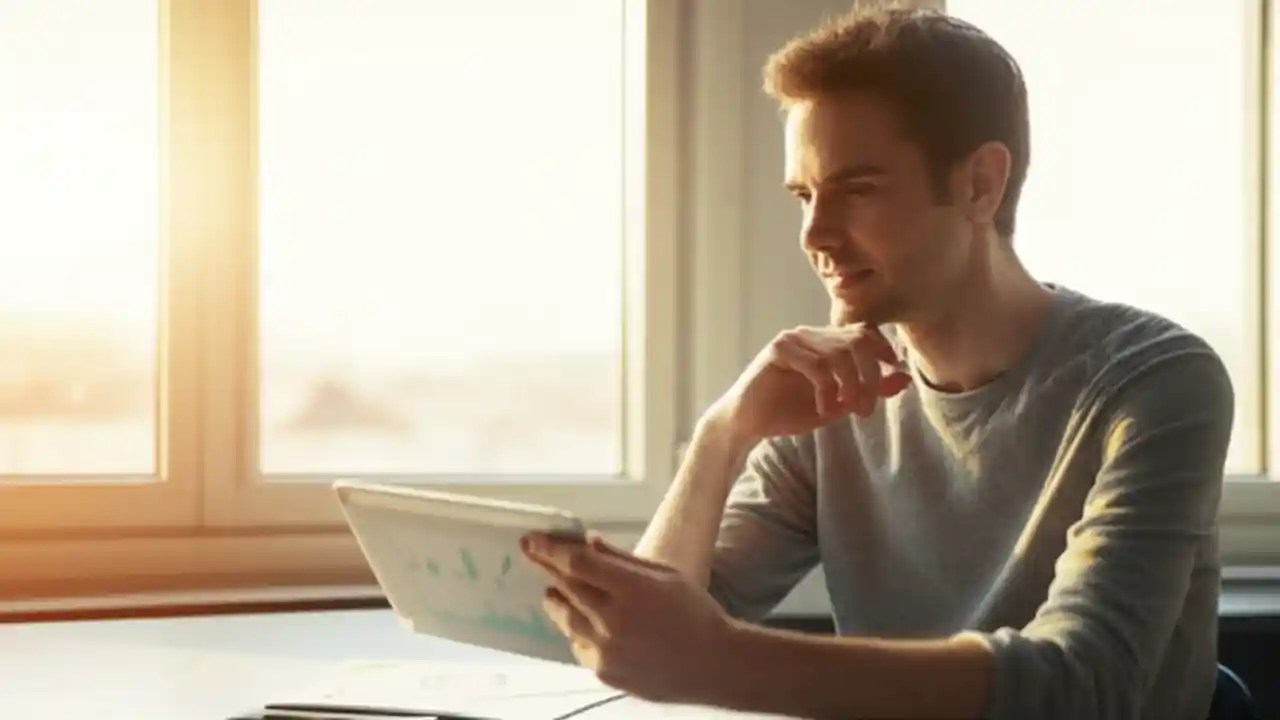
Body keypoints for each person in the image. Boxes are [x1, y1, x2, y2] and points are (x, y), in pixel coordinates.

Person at [521, 6, 1232, 719]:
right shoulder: (835, 394)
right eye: (804, 195)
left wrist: (721, 658)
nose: (815, 235)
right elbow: (651, 644)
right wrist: (723, 434)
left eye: (857, 189)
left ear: (980, 184)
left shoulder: (1155, 381)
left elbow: (1082, 685)